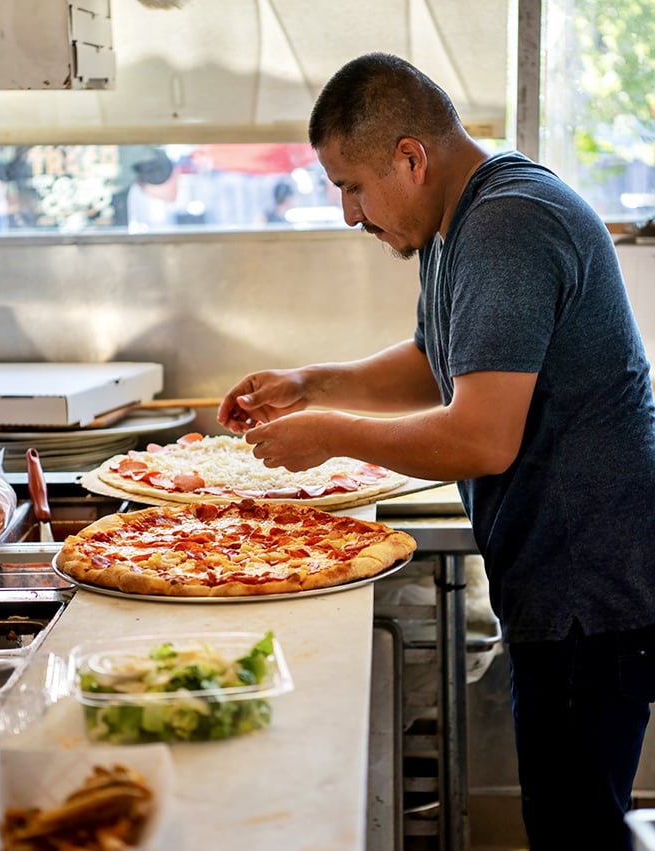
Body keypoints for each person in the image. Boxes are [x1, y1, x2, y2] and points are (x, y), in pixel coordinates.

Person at [217, 53, 655, 850]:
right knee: (571, 817)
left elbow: (482, 436)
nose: (350, 214)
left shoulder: (509, 224)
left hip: (591, 586)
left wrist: (330, 437)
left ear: (410, 157)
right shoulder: (456, 223)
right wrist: (310, 385)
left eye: (352, 186)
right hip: (558, 572)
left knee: (577, 828)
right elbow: (437, 361)